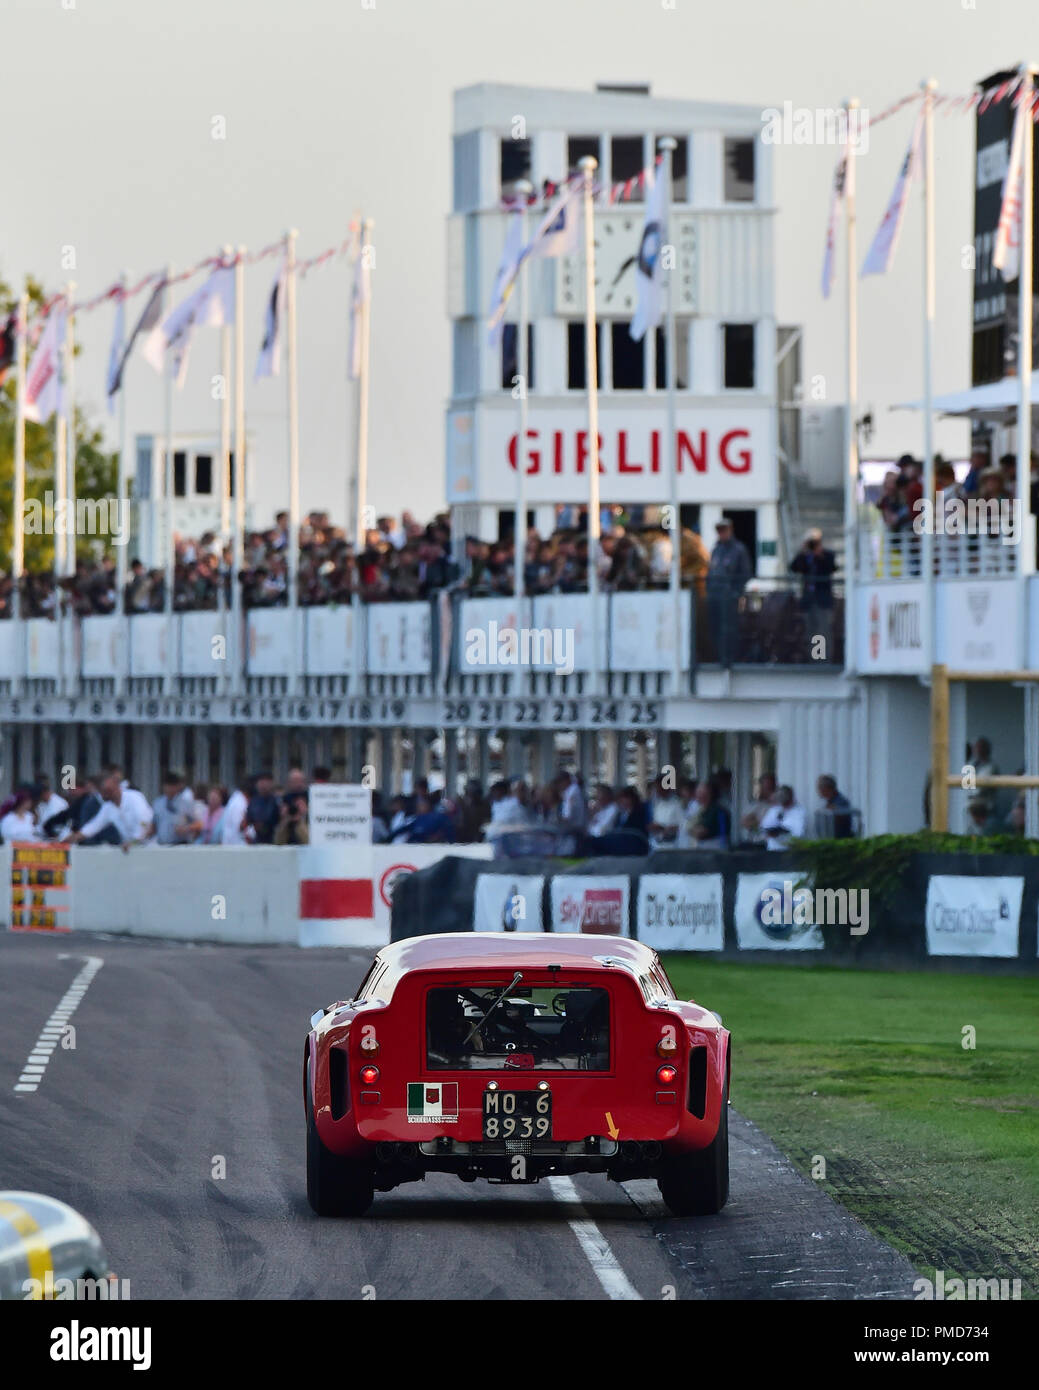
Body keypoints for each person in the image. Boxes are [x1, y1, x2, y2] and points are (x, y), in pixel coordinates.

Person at [706, 518, 751, 666]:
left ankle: (729, 658)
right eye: (719, 530)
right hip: (714, 596)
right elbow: (710, 572)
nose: (721, 533)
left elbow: (745, 573)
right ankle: (717, 656)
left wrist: (735, 592)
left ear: (730, 530)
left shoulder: (738, 549)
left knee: (728, 628)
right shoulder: (716, 549)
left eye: (724, 530)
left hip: (728, 597)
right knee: (715, 628)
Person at [69, 774, 154, 848]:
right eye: (102, 791)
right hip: (130, 849)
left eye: (107, 791)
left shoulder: (134, 797)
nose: (103, 794)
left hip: (150, 847)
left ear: (117, 787)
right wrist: (73, 838)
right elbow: (94, 826)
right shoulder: (108, 807)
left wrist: (134, 842)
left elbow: (145, 823)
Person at [790, 528, 837, 657]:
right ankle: (812, 658)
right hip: (808, 600)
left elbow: (832, 567)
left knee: (822, 631)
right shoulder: (805, 556)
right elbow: (793, 567)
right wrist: (803, 552)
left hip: (822, 601)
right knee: (810, 631)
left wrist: (819, 555)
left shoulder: (827, 555)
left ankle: (822, 658)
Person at [152, 771, 198, 845]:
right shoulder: (158, 803)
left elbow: (198, 824)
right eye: (168, 785)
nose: (170, 789)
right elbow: (154, 825)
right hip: (162, 845)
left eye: (173, 786)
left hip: (180, 844)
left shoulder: (185, 802)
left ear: (178, 786)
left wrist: (186, 828)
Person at [759, 785, 806, 850]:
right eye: (780, 797)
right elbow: (763, 827)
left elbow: (799, 834)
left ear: (791, 797)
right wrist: (771, 832)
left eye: (784, 797)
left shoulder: (799, 812)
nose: (782, 801)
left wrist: (781, 835)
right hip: (773, 849)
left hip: (790, 851)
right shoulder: (774, 810)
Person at [686, 780, 729, 850]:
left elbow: (700, 833)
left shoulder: (716, 811)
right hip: (703, 849)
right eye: (697, 792)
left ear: (708, 794)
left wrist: (690, 829)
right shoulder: (701, 809)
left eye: (700, 792)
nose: (697, 795)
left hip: (715, 851)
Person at [646, 775, 685, 849]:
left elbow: (683, 825)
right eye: (655, 788)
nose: (656, 790)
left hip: (673, 846)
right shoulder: (658, 804)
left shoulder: (678, 804)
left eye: (658, 787)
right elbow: (656, 822)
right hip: (657, 845)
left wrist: (664, 828)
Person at [245, 773, 280, 845]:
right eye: (261, 782)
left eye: (266, 782)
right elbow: (249, 819)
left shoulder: (276, 801)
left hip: (274, 839)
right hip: (257, 840)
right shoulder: (254, 801)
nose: (263, 785)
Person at [741, 772, 777, 839]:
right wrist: (763, 822)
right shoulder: (756, 805)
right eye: (766, 787)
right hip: (761, 841)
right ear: (761, 787)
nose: (769, 790)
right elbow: (745, 822)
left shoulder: (781, 804)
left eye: (771, 786)